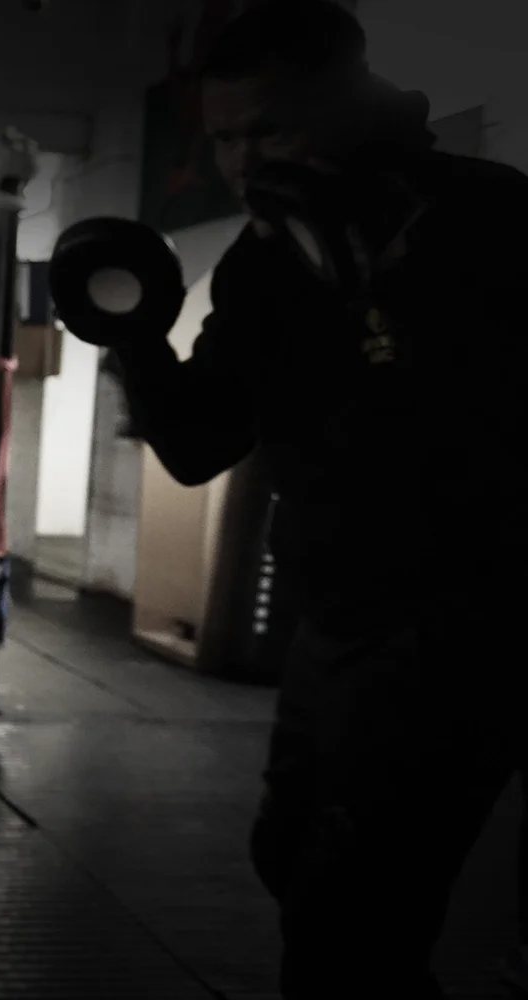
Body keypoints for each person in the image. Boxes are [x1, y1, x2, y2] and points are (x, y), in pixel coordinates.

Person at [90, 1, 526, 996]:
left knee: (352, 922)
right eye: (225, 140)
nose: (242, 162)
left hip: (468, 625)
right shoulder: (265, 262)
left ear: (353, 104)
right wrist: (135, 331)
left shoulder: (490, 217)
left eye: (270, 130)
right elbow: (200, 444)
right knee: (293, 859)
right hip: (335, 623)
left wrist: (385, 296)